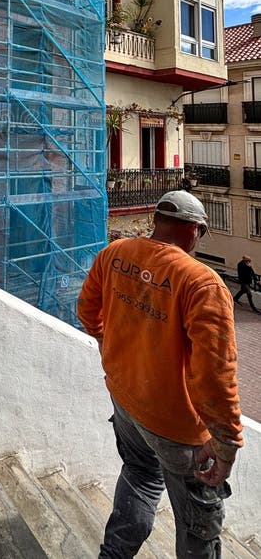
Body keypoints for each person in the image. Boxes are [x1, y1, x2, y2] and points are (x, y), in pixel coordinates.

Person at [78, 190, 243, 558]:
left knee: (139, 477)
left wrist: (110, 346)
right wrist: (226, 443)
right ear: (195, 231)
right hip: (178, 431)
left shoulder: (115, 253)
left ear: (157, 221)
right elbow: (216, 375)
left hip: (125, 401)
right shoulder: (203, 283)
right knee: (198, 527)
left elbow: (88, 311)